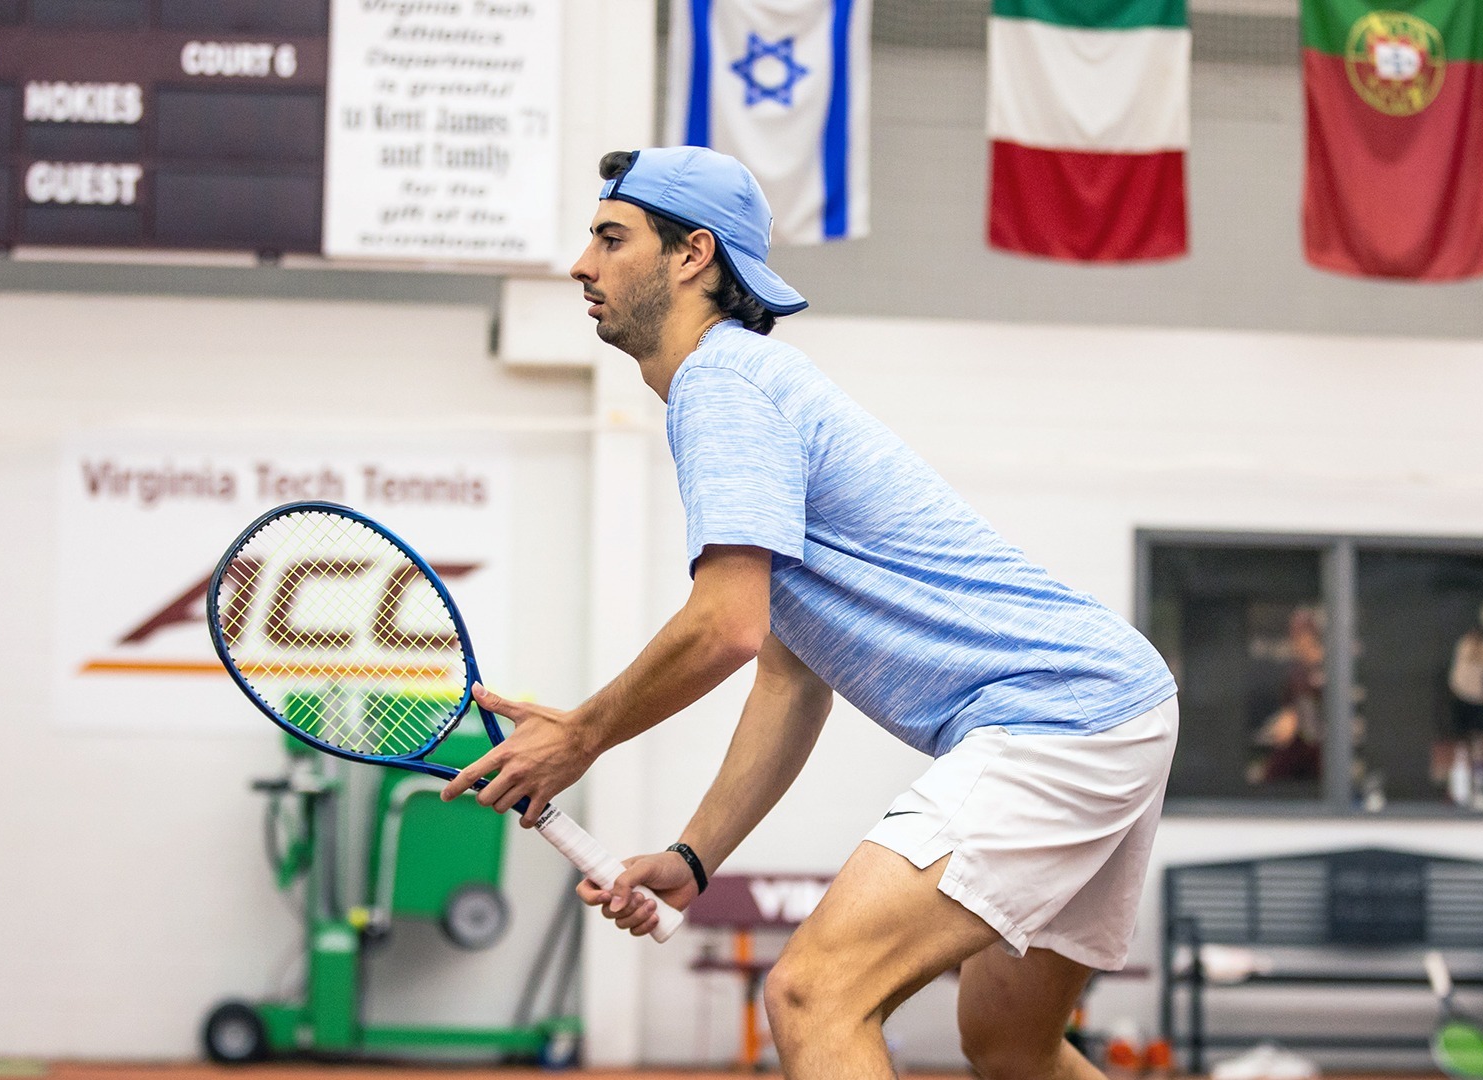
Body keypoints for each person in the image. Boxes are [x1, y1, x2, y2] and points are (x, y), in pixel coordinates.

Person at [439, 147, 1179, 1079]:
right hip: (1120, 705)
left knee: (814, 996)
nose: (582, 264)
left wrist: (582, 734)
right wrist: (694, 857)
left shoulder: (721, 386)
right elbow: (789, 676)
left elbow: (725, 626)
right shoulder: (749, 387)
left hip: (1057, 718)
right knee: (1012, 1046)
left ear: (691, 255)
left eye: (610, 237)